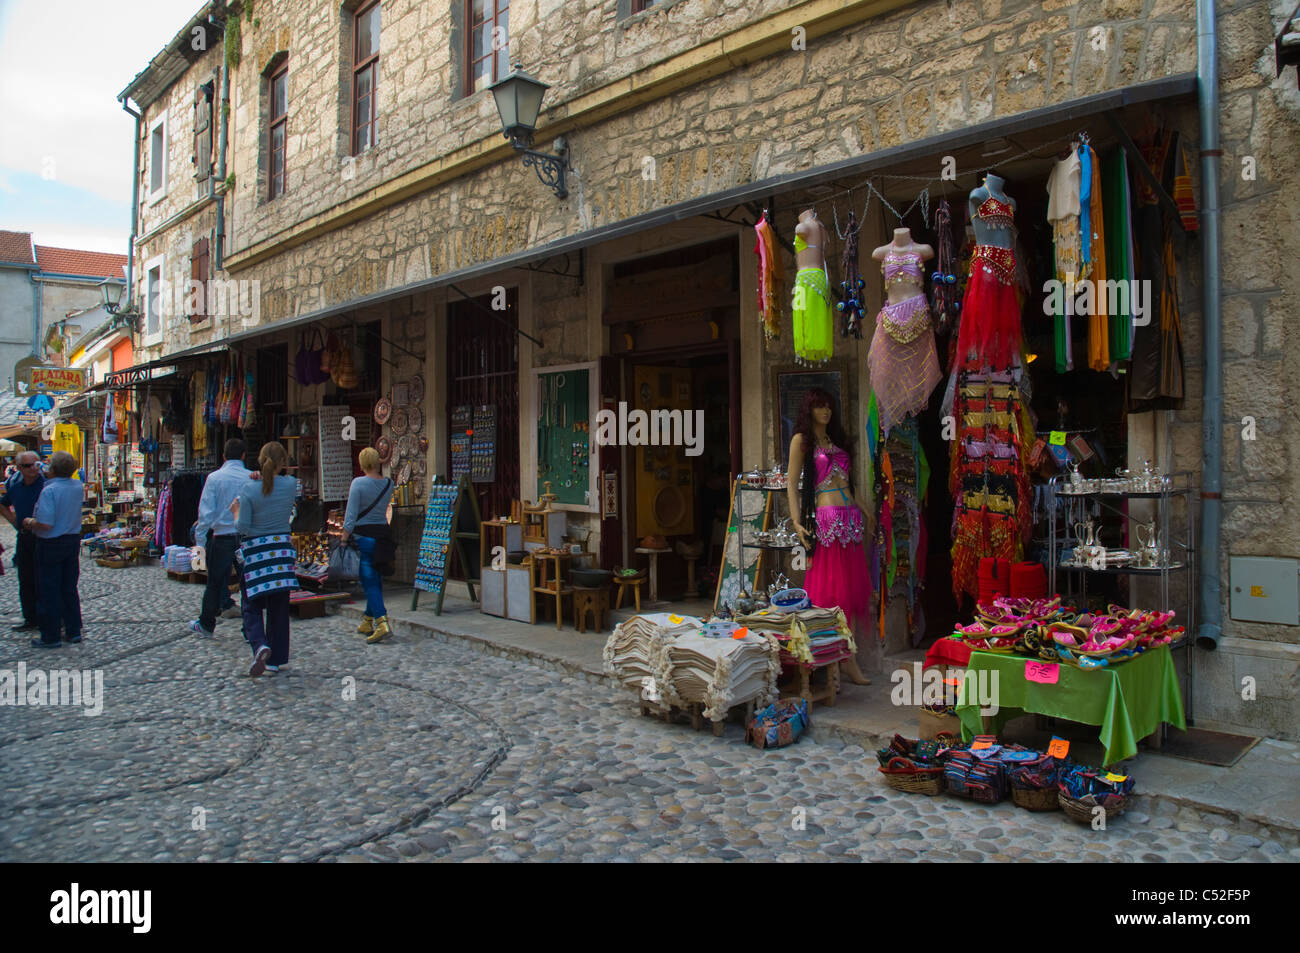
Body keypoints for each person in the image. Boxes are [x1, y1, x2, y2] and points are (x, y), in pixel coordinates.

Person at [786, 389, 872, 685]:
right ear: (809, 410)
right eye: (819, 406)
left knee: (851, 592)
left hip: (850, 522)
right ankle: (832, 657)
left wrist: (866, 511)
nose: (826, 411)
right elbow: (791, 485)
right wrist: (797, 522)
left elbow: (850, 486)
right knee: (831, 594)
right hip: (825, 522)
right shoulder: (802, 441)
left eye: (829, 406)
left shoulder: (836, 443)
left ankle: (849, 657)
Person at [232, 442, 298, 677]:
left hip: (257, 553)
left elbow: (243, 526)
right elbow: (283, 487)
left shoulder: (248, 489)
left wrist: (235, 512)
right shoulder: (291, 485)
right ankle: (276, 658)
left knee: (251, 603)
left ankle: (259, 643)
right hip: (280, 552)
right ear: (282, 462)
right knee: (279, 607)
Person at [187, 438, 251, 638]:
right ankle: (250, 627)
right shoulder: (251, 477)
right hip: (245, 538)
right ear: (243, 455)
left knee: (214, 582)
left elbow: (205, 513)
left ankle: (207, 624)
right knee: (247, 583)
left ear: (223, 456)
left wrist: (200, 543)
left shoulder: (214, 478)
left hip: (221, 537)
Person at [23, 451, 84, 648]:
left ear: (54, 469)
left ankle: (50, 635)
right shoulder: (77, 486)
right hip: (72, 541)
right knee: (69, 588)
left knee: (49, 590)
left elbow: (46, 523)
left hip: (51, 543)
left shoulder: (50, 491)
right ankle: (73, 630)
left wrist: (30, 521)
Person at [340, 447, 395, 644]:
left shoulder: (358, 484)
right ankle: (367, 620)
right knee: (376, 576)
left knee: (368, 579)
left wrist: (344, 537)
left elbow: (351, 514)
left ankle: (382, 622)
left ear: (362, 463)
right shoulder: (389, 483)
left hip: (364, 536)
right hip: (382, 535)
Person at [1, 451, 46, 632]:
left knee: (43, 578)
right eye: (28, 466)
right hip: (24, 536)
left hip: (43, 536)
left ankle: (48, 617)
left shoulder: (45, 484)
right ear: (19, 468)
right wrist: (14, 522)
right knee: (25, 578)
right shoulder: (15, 484)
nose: (33, 469)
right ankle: (30, 617)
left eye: (36, 465)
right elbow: (3, 503)